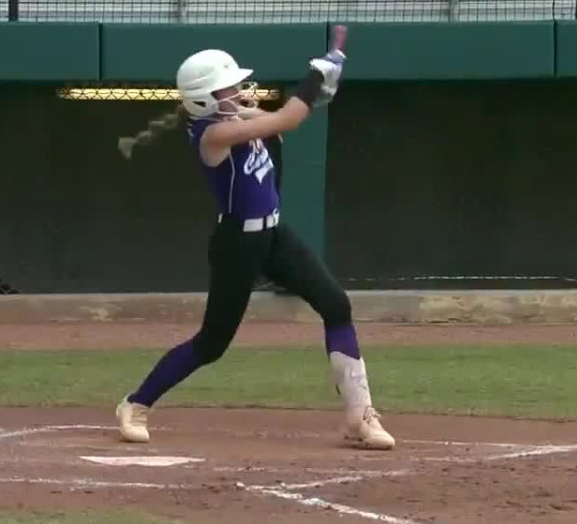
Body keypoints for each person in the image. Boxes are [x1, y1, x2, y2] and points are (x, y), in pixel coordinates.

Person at [113, 45, 396, 450]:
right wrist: (315, 77)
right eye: (227, 89)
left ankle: (360, 416)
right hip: (237, 244)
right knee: (212, 343)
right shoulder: (213, 133)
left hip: (274, 235)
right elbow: (288, 118)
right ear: (204, 99)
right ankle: (136, 403)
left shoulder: (234, 116)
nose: (239, 91)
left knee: (336, 305)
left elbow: (279, 121)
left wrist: (321, 92)